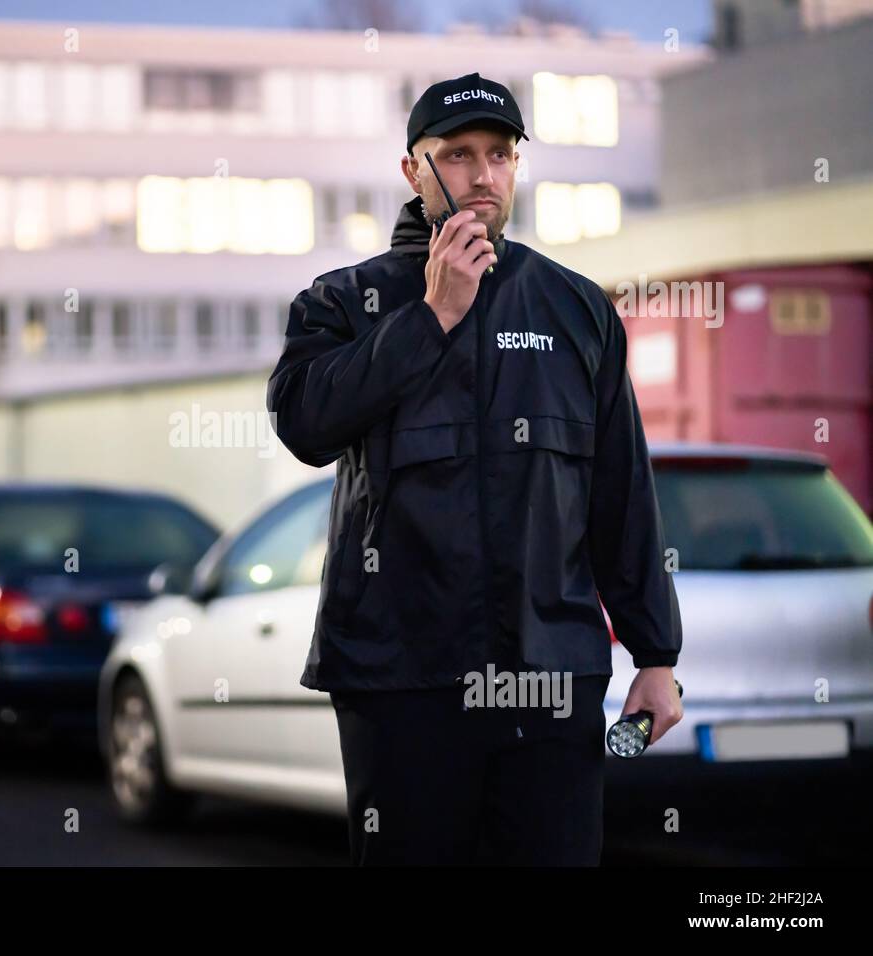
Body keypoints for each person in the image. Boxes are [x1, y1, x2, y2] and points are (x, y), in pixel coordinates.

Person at [266, 72, 683, 866]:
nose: (482, 175)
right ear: (413, 170)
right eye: (457, 155)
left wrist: (656, 655)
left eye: (500, 154)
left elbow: (620, 496)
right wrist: (433, 317)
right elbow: (305, 426)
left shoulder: (575, 308)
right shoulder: (344, 302)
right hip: (401, 684)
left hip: (549, 681)